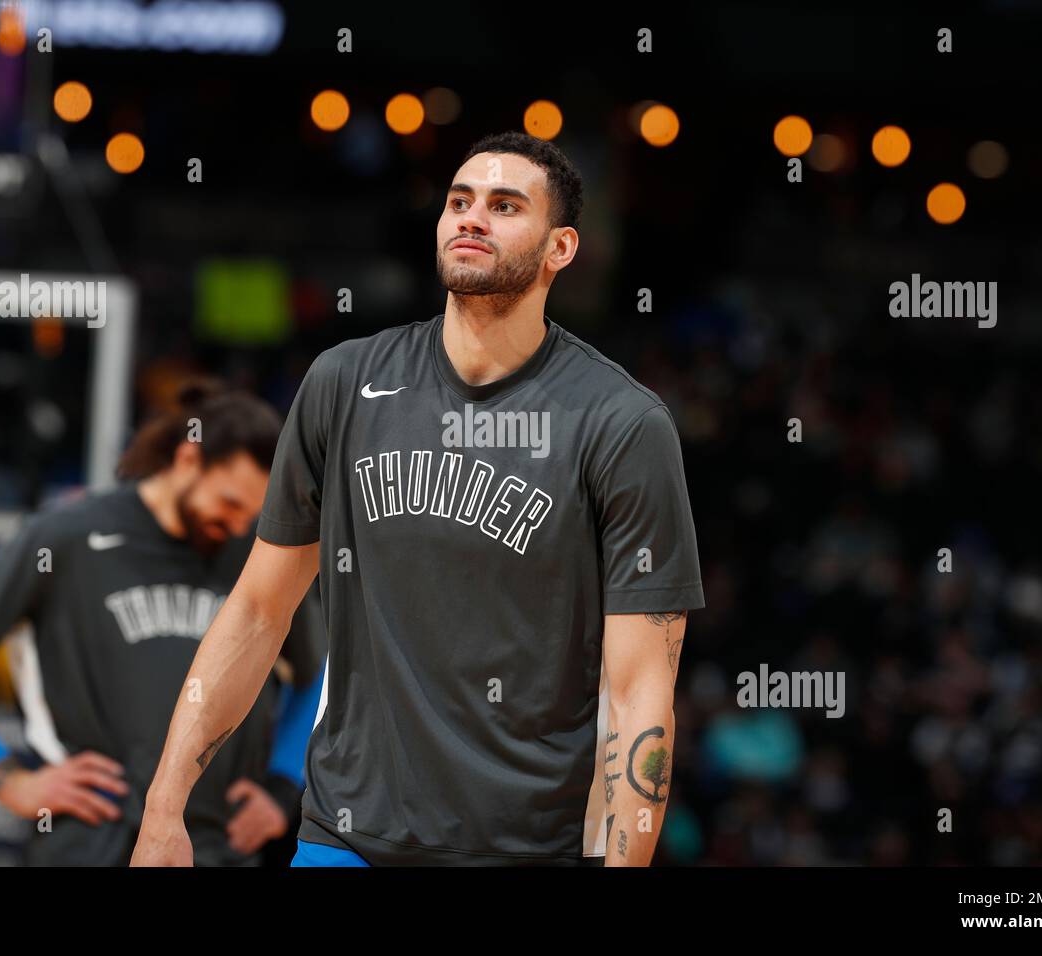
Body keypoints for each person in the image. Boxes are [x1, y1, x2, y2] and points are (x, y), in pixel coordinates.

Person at [132, 131, 704, 867]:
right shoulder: (343, 382)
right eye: (459, 201)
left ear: (560, 249)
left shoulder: (622, 424)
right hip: (345, 835)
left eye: (504, 206)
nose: (471, 218)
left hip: (524, 848)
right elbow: (256, 610)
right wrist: (163, 808)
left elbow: (639, 694)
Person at [0, 380, 325, 865]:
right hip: (88, 841)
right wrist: (6, 778)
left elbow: (320, 673)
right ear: (188, 459)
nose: (236, 525)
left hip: (215, 845)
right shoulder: (66, 535)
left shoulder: (254, 553)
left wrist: (283, 781)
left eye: (251, 515)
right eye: (229, 504)